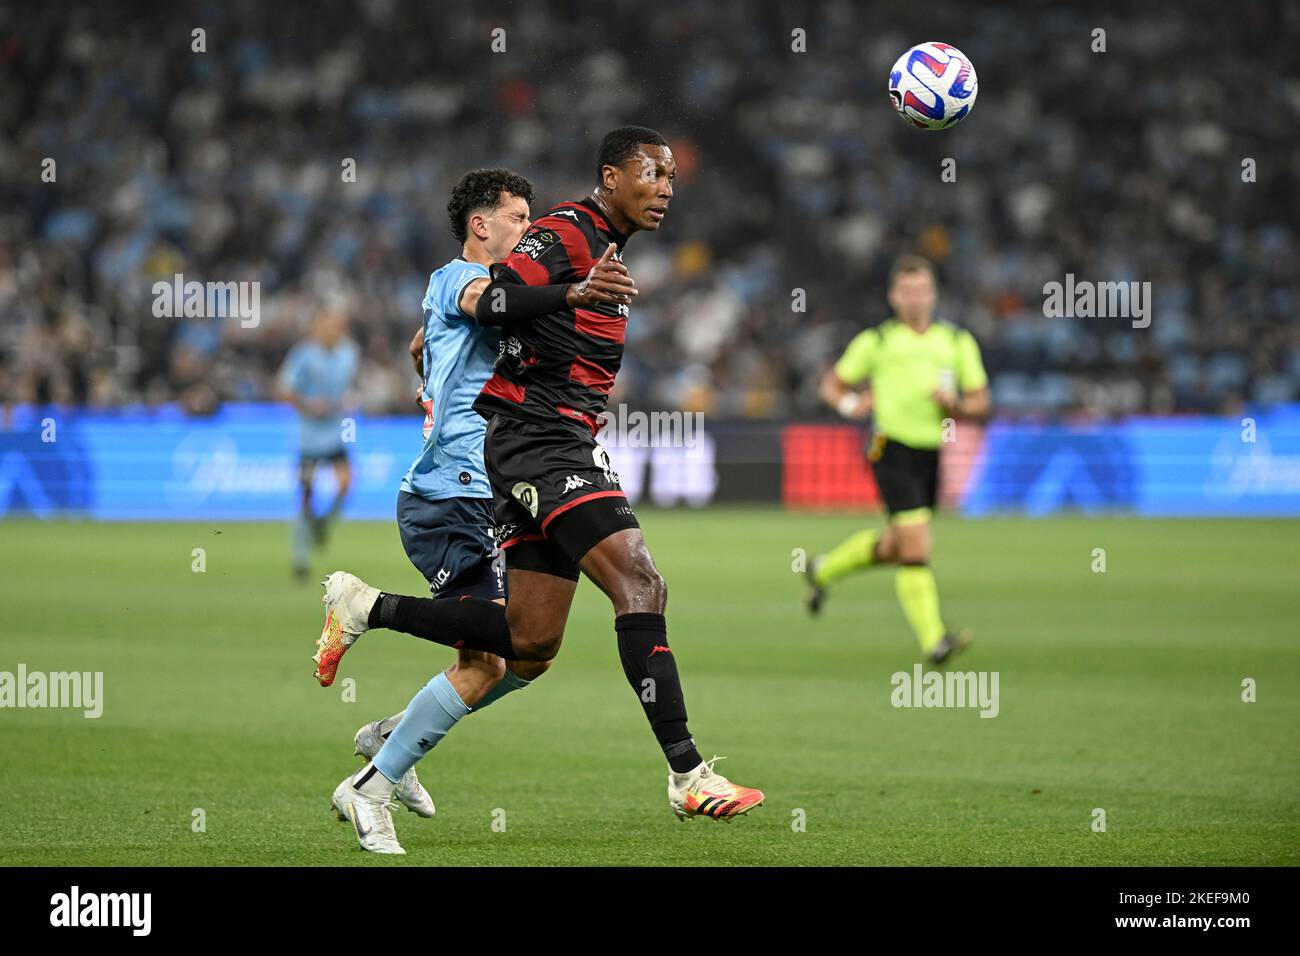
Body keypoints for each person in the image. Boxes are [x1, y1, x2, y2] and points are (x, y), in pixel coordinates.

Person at [316, 128, 764, 850]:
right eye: (653, 173)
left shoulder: (604, 248)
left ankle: (370, 626)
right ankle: (686, 772)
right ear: (610, 176)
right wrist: (574, 289)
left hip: (548, 443)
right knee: (640, 585)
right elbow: (493, 297)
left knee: (530, 645)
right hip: (536, 443)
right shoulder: (565, 233)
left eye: (674, 177)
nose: (668, 188)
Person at [319, 168, 637, 854]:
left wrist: (429, 370)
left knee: (530, 655)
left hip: (491, 486)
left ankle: (392, 734)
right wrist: (574, 289)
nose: (531, 229)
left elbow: (427, 345)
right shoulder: (456, 278)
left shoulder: (512, 299)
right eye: (518, 217)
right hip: (451, 495)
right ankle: (370, 776)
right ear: (480, 225)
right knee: (493, 658)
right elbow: (474, 299)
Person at [805, 254, 990, 665]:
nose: (914, 298)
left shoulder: (956, 342)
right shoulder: (879, 341)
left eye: (921, 290)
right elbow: (831, 386)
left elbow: (981, 403)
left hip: (930, 452)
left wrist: (955, 405)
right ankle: (934, 640)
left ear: (933, 293)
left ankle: (823, 570)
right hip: (889, 448)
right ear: (893, 296)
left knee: (897, 544)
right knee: (917, 546)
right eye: (907, 291)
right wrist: (853, 404)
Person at [278, 309, 360, 581]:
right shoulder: (303, 355)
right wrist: (308, 405)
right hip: (309, 438)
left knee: (346, 484)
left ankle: (324, 521)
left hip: (336, 434)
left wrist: (349, 399)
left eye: (336, 326)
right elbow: (285, 390)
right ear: (317, 327)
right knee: (305, 497)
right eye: (327, 326)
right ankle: (300, 558)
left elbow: (351, 386)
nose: (332, 331)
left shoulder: (349, 353)